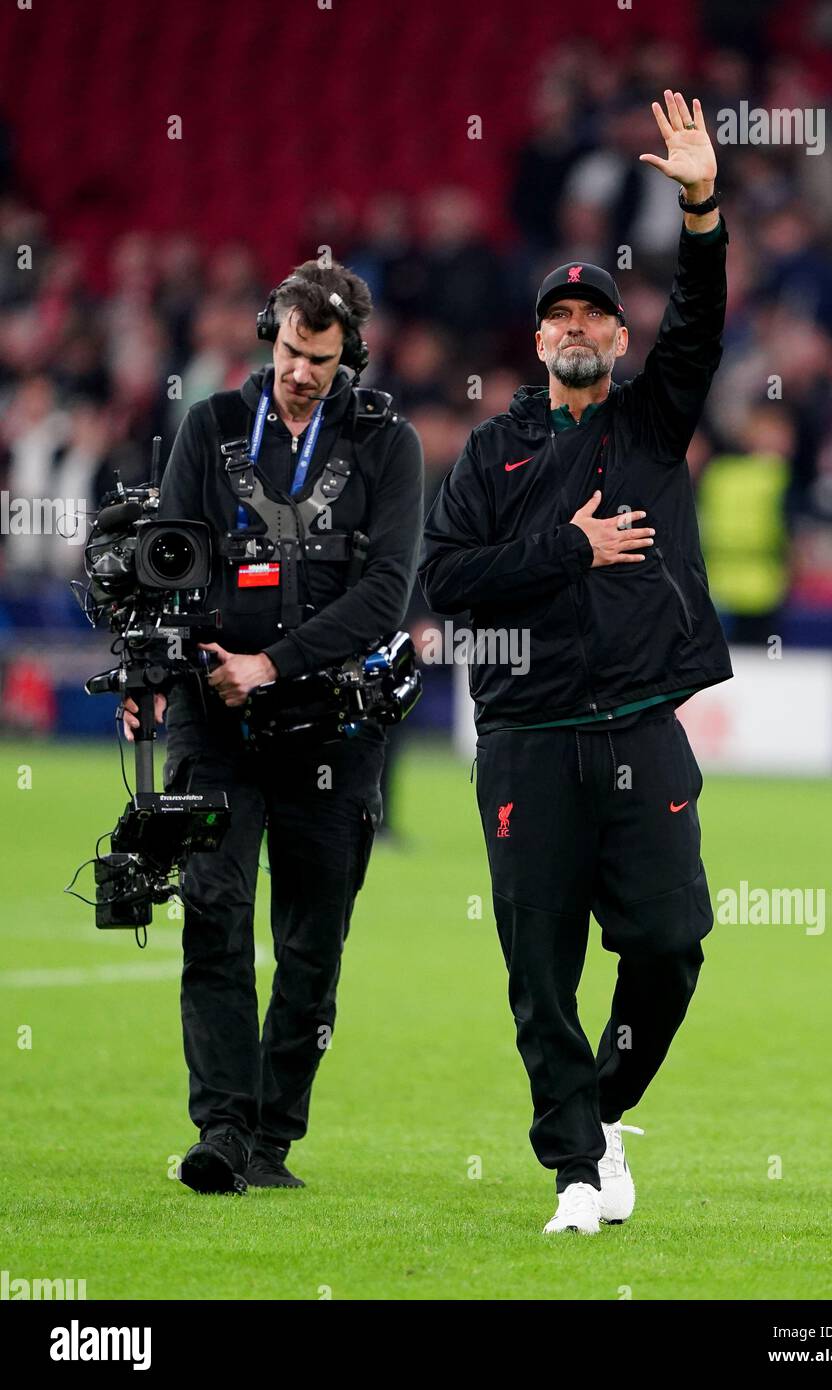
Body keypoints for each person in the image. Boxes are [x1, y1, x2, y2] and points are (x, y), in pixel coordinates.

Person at [419, 91, 732, 1234]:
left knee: (669, 944)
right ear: (538, 339)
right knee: (537, 973)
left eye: (594, 316)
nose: (576, 330)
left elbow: (699, 320)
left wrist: (700, 205)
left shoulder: (649, 424)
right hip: (526, 738)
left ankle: (597, 1116)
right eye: (559, 318)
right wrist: (569, 547)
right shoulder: (488, 455)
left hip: (638, 722)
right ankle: (570, 1175)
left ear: (614, 335)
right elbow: (446, 581)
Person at [122, 261, 424, 1194]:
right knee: (212, 914)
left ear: (351, 357)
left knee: (310, 945)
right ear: (271, 333)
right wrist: (155, 667)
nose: (300, 371)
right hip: (213, 724)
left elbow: (387, 593)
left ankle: (271, 1138)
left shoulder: (388, 444)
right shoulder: (209, 427)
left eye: (320, 359)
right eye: (291, 350)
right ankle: (219, 1128)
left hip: (333, 730)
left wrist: (275, 665)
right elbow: (166, 557)